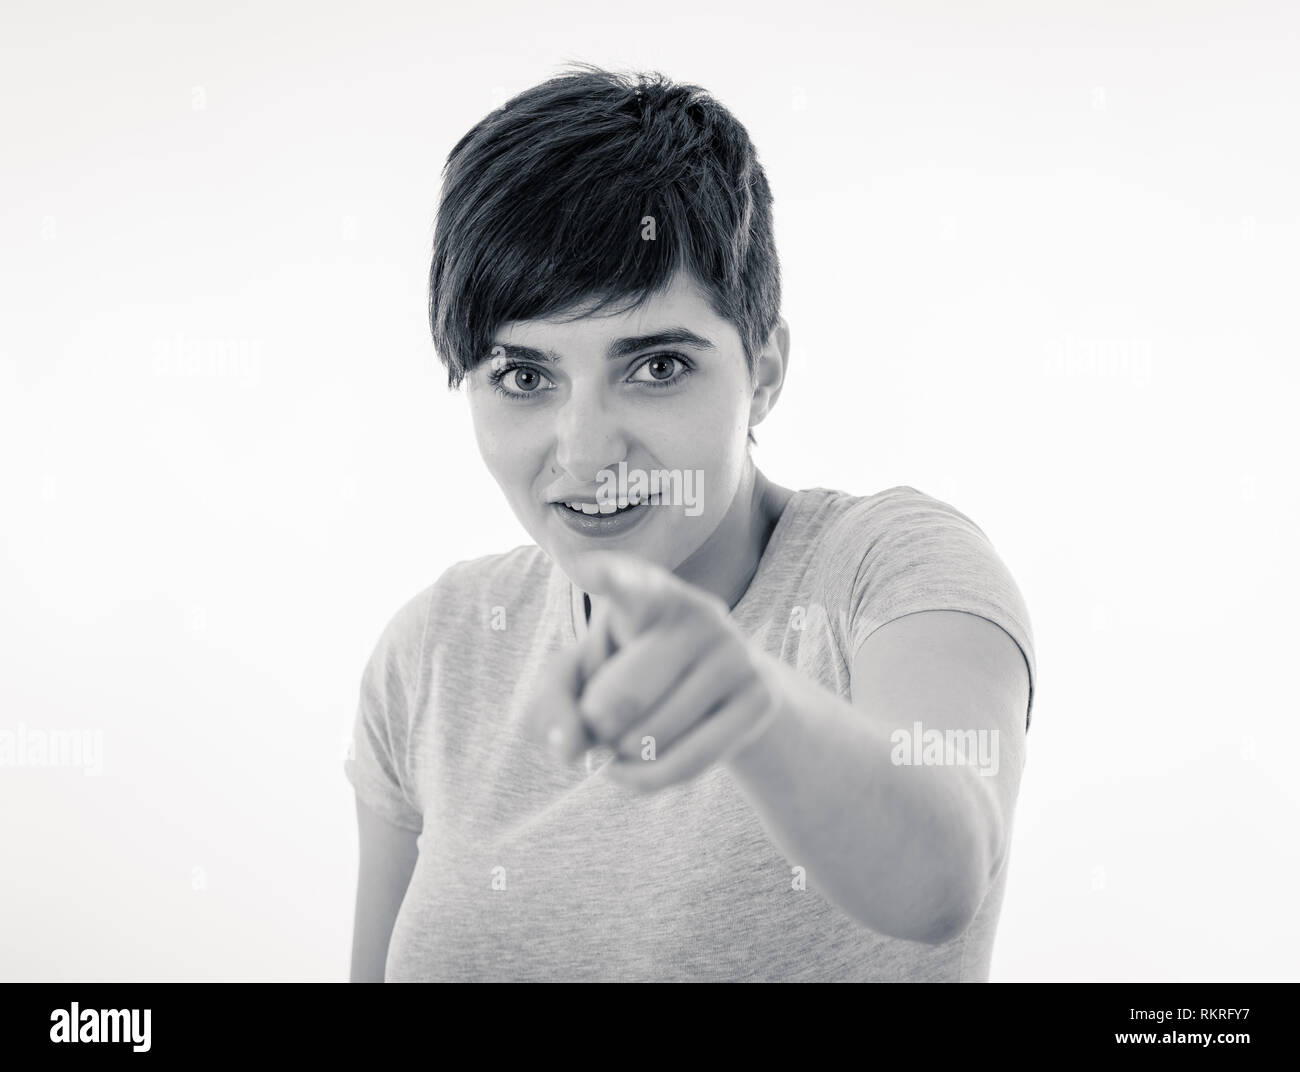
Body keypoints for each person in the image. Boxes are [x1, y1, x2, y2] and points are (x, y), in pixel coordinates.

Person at [345, 63, 1036, 982]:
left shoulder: (895, 568)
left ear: (765, 369)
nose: (585, 453)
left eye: (657, 367)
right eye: (524, 375)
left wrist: (744, 699)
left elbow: (943, 871)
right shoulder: (437, 648)